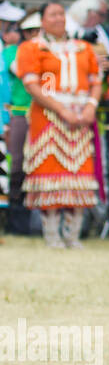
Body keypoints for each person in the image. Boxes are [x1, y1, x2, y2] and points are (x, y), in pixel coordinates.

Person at [15, 2, 101, 247]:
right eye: (52, 14)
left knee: (79, 174)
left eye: (61, 14)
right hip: (49, 119)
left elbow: (95, 81)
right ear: (41, 20)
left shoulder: (83, 48)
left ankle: (72, 236)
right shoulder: (32, 48)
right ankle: (52, 235)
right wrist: (62, 110)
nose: (58, 18)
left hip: (81, 119)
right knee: (50, 173)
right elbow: (33, 86)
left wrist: (90, 107)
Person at [3, 12, 40, 233]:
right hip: (19, 114)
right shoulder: (11, 52)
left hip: (43, 114)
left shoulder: (47, 52)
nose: (34, 35)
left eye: (37, 31)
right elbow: (23, 71)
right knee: (17, 164)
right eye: (30, 31)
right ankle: (16, 218)